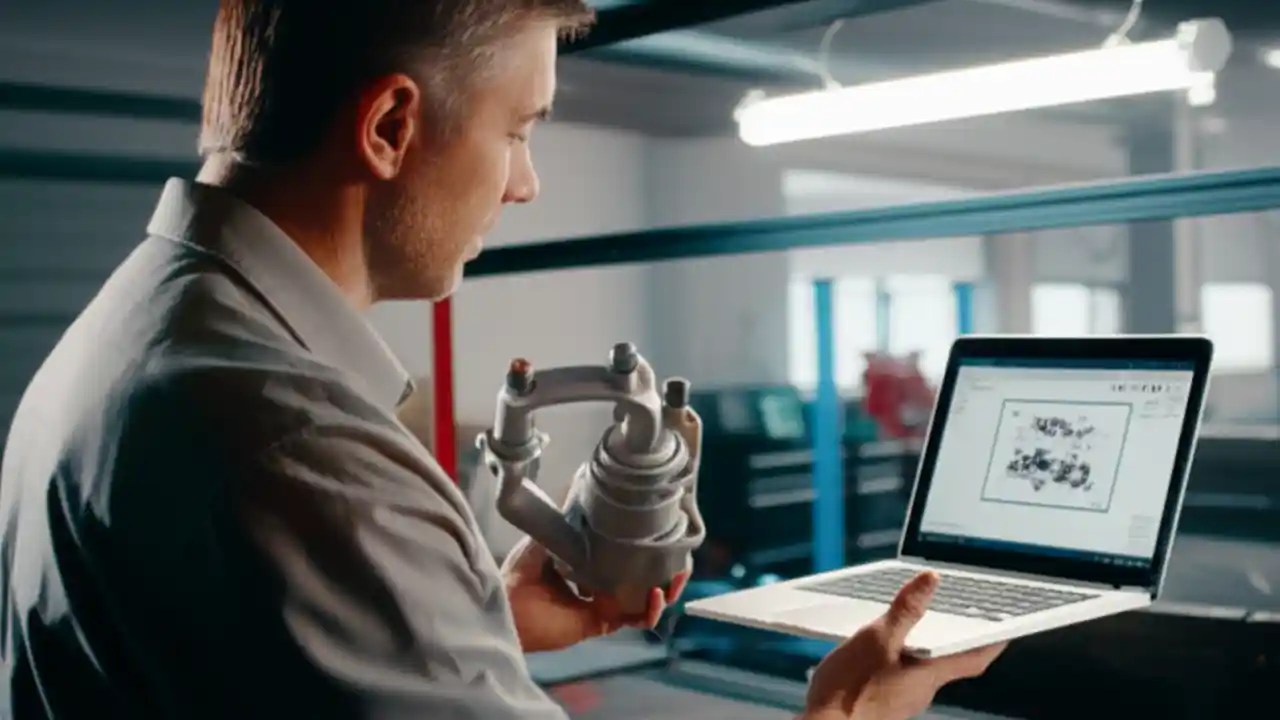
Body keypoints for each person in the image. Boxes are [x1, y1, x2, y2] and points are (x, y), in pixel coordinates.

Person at [0, 2, 1004, 719]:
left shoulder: (129, 329)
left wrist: (466, 611)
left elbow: (215, 655)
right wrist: (848, 713)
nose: (524, 184)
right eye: (519, 130)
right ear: (392, 127)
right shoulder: (294, 441)